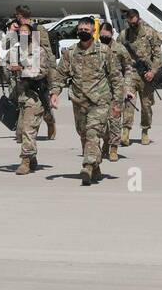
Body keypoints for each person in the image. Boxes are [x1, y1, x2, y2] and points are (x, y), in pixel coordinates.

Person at [52, 17, 122, 186]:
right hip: (78, 101)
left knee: (92, 133)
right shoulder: (70, 52)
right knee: (83, 135)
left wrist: (117, 103)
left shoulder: (105, 52)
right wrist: (55, 93)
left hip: (100, 101)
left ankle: (87, 166)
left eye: (87, 30)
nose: (83, 32)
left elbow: (116, 78)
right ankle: (95, 166)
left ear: (93, 32)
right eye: (81, 29)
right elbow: (61, 75)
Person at [4, 14, 58, 174]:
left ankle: (25, 161)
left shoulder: (39, 51)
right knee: (20, 132)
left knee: (28, 130)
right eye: (20, 32)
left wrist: (21, 70)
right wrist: (6, 68)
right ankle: (32, 156)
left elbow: (41, 72)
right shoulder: (14, 51)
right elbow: (6, 69)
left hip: (34, 96)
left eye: (26, 32)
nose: (22, 34)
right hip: (18, 96)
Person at [117, 9, 162, 145]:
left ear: (138, 18)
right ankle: (125, 131)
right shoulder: (123, 35)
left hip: (147, 75)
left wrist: (153, 72)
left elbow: (158, 55)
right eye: (129, 21)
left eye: (134, 20)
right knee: (128, 102)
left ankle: (145, 131)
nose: (132, 24)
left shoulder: (149, 33)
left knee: (146, 105)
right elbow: (115, 52)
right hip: (130, 73)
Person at [15, 5, 56, 138]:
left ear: (22, 16)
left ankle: (50, 121)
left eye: (17, 16)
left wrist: (51, 73)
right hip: (24, 73)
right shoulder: (18, 30)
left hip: (39, 73)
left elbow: (46, 51)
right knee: (24, 103)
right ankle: (23, 131)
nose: (16, 18)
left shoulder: (37, 29)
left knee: (44, 103)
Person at [99, 23, 135, 160]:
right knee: (101, 122)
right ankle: (105, 145)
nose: (103, 38)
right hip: (100, 90)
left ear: (111, 34)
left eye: (106, 36)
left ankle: (113, 148)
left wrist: (127, 87)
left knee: (114, 120)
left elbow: (128, 69)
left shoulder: (120, 49)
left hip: (117, 90)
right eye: (101, 35)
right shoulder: (96, 49)